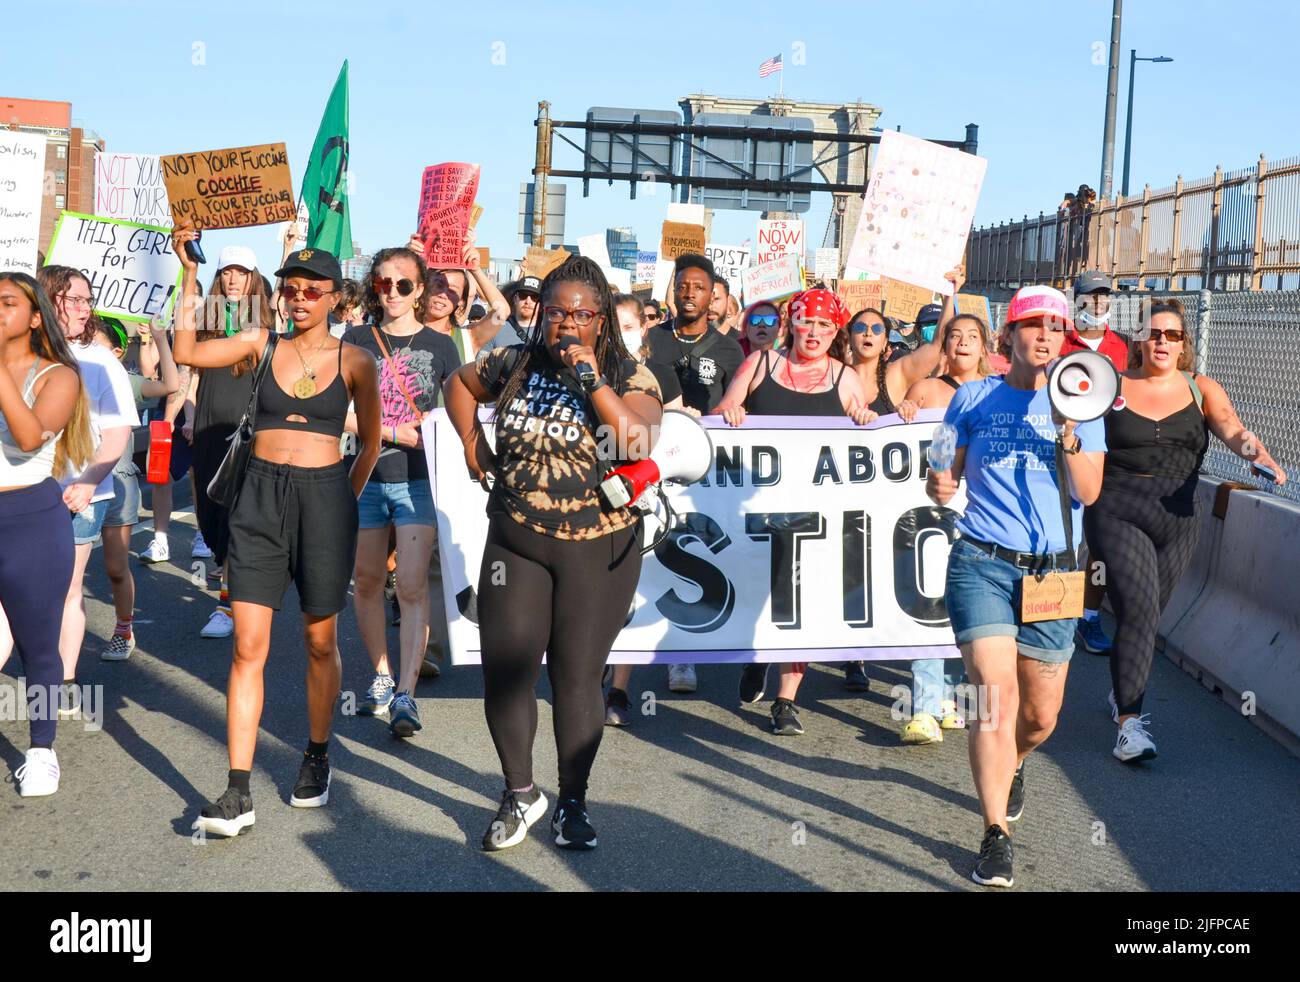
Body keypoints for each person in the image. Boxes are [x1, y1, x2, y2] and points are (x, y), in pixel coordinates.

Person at [444, 256, 662, 851]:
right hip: (516, 538)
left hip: (599, 546)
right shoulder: (514, 362)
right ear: (540, 315)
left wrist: (592, 379)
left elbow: (636, 438)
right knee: (507, 671)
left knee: (575, 678)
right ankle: (519, 793)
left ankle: (572, 801)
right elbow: (457, 384)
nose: (568, 323)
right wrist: (471, 442)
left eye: (582, 314)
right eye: (557, 312)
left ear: (601, 320)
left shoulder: (630, 372)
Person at [173, 227, 382, 838]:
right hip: (258, 498)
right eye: (290, 289)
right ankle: (238, 791)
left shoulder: (356, 361)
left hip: (325, 502)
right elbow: (186, 350)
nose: (298, 299)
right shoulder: (257, 343)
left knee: (320, 642)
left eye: (311, 291)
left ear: (334, 298)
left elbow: (369, 442)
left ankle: (317, 753)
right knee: (247, 644)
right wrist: (190, 272)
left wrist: (343, 498)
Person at [927, 285, 1106, 888]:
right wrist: (940, 482)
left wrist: (1067, 431)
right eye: (1034, 325)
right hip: (982, 562)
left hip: (1054, 571)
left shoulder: (1085, 400)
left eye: (1056, 327)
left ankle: (1017, 761)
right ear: (1010, 336)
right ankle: (994, 833)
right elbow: (940, 457)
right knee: (993, 697)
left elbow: (1088, 493)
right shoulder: (974, 396)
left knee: (1039, 716)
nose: (1046, 336)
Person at [1084, 300, 1286, 763]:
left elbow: (1232, 429)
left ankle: (1122, 690)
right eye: (1154, 333)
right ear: (1140, 339)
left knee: (1147, 616)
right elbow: (1076, 422)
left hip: (1178, 518)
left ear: (1183, 345)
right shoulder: (1111, 385)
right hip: (1117, 510)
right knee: (1136, 610)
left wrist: (1257, 454)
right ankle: (1129, 725)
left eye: (1172, 335)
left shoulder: (1201, 389)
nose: (1161, 342)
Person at [713, 288, 877, 734]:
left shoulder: (845, 377)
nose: (816, 332)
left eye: (826, 325)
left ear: (835, 331)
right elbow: (720, 414)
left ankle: (786, 701)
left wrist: (864, 420)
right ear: (792, 324)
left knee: (798, 601)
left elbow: (866, 439)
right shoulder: (760, 363)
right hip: (756, 511)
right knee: (756, 595)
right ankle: (757, 658)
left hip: (813, 515)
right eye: (808, 322)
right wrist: (732, 413)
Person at [343, 245, 461, 736]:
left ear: (421, 290)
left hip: (417, 479)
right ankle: (383, 676)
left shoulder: (440, 346)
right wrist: (391, 431)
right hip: (365, 475)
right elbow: (336, 412)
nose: (391, 292)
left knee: (411, 585)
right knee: (368, 583)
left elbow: (459, 413)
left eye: (403, 284)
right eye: (383, 283)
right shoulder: (353, 339)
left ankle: (407, 696)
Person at [0, 272, 92, 796]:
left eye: (8, 303)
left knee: (38, 646)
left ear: (36, 317)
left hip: (29, 520)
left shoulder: (59, 376)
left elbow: (29, 434)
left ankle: (41, 749)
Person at [36, 267, 140, 719]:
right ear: (48, 300)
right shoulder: (14, 354)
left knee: (67, 590)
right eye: (74, 299)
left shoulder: (100, 362)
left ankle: (63, 682)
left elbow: (115, 436)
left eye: (87, 300)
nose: (85, 309)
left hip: (78, 496)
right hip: (19, 492)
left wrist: (89, 481)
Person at [645, 254, 743, 694]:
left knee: (698, 551)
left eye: (699, 287)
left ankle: (686, 653)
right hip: (656, 463)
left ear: (713, 297)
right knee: (655, 548)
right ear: (673, 290)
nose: (689, 294)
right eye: (682, 286)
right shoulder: (651, 341)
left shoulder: (728, 349)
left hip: (710, 469)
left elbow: (743, 403)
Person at [894, 313, 995, 743]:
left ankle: (950, 697)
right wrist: (906, 410)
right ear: (944, 346)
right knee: (930, 602)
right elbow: (904, 437)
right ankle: (923, 706)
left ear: (985, 347)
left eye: (973, 337)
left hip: (979, 517)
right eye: (955, 336)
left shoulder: (995, 394)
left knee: (967, 611)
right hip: (930, 513)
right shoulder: (927, 388)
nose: (963, 343)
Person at [186, 246, 278, 640]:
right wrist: (187, 413)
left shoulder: (264, 321)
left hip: (247, 430)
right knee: (209, 516)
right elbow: (189, 366)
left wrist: (289, 244)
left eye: (242, 271)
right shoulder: (206, 315)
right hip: (207, 425)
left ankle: (227, 603)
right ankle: (231, 585)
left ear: (254, 277)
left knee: (235, 517)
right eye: (226, 272)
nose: (233, 278)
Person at [602, 292, 685, 726]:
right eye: (612, 325)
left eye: (628, 326)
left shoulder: (662, 375)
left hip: (639, 499)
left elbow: (676, 436)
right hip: (585, 497)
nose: (620, 334)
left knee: (628, 595)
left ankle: (618, 689)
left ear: (643, 328)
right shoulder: (586, 371)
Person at [89, 317, 180, 661]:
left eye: (95, 343)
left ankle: (123, 629)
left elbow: (171, 385)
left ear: (117, 350)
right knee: (63, 573)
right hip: (74, 484)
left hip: (118, 485)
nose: (87, 348)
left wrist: (159, 337)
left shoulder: (126, 381)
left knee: (115, 567)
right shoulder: (68, 372)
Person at [1063, 270, 1128, 656]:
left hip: (1110, 456)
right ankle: (1053, 612)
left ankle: (1088, 616)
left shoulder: (1124, 348)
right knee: (1065, 539)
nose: (1099, 302)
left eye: (1105, 296)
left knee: (1099, 545)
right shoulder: (1061, 343)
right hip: (1066, 453)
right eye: (1091, 296)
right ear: (1078, 301)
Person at [137, 300, 205, 565]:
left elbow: (193, 376)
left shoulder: (206, 335)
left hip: (197, 414)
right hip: (169, 417)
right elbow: (146, 369)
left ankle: (203, 535)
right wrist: (147, 338)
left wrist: (190, 418)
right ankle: (161, 540)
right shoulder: (168, 331)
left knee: (198, 477)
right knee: (160, 476)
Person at [848, 266, 963, 417]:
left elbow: (937, 344)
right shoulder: (835, 376)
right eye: (860, 327)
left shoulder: (896, 375)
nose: (868, 333)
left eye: (877, 329)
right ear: (849, 337)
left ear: (885, 342)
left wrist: (949, 296)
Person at [475, 275, 542, 358]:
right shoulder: (496, 329)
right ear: (515, 298)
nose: (528, 301)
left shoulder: (548, 332)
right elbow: (480, 365)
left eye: (535, 297)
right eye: (523, 296)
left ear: (542, 302)